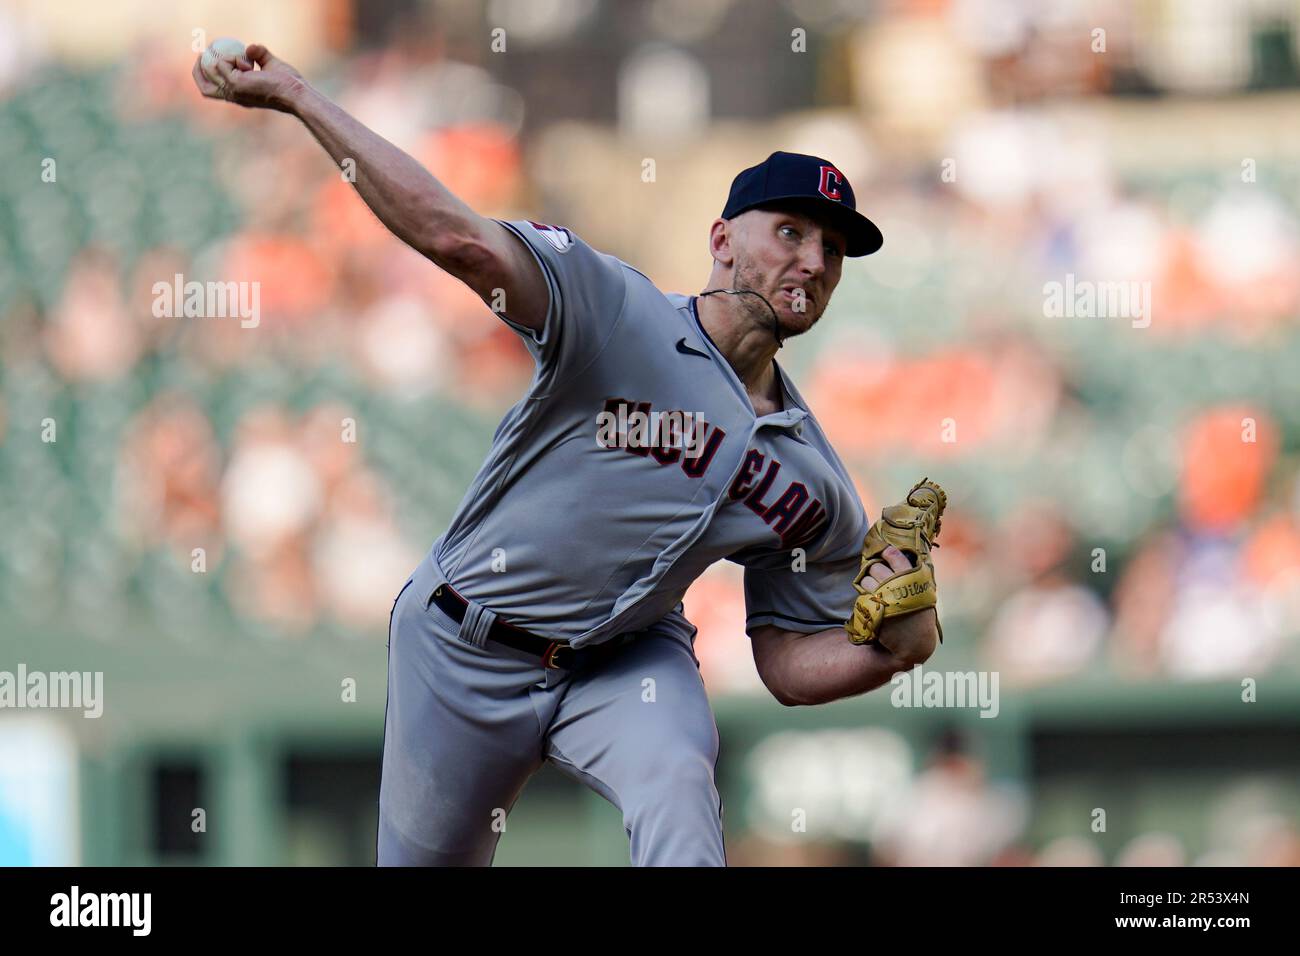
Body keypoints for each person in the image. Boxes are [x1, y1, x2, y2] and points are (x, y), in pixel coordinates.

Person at [194, 45, 941, 866]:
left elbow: (789, 665)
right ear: (722, 239)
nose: (812, 260)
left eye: (833, 249)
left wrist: (893, 649)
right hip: (461, 645)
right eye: (791, 231)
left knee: (678, 788)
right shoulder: (616, 311)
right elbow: (459, 239)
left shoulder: (814, 479)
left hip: (626, 663)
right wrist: (301, 97)